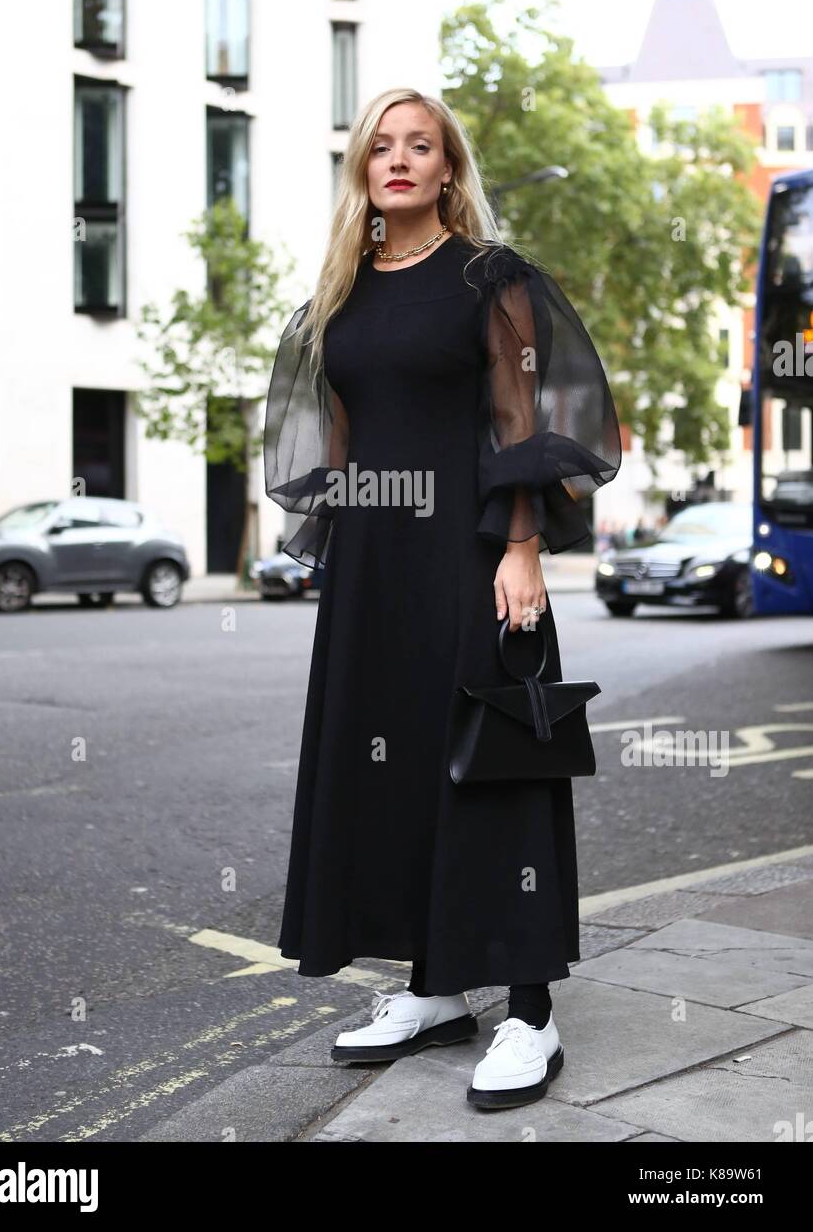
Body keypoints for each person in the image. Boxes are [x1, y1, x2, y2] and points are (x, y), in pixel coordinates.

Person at [263, 87, 621, 1110]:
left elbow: (519, 419)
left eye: (421, 145)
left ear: (448, 168)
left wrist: (520, 546)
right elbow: (339, 435)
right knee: (385, 765)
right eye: (382, 146)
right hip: (375, 567)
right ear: (362, 170)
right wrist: (340, 545)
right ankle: (430, 985)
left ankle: (528, 1010)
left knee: (488, 768)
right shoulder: (342, 291)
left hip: (468, 557)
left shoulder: (489, 279)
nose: (400, 159)